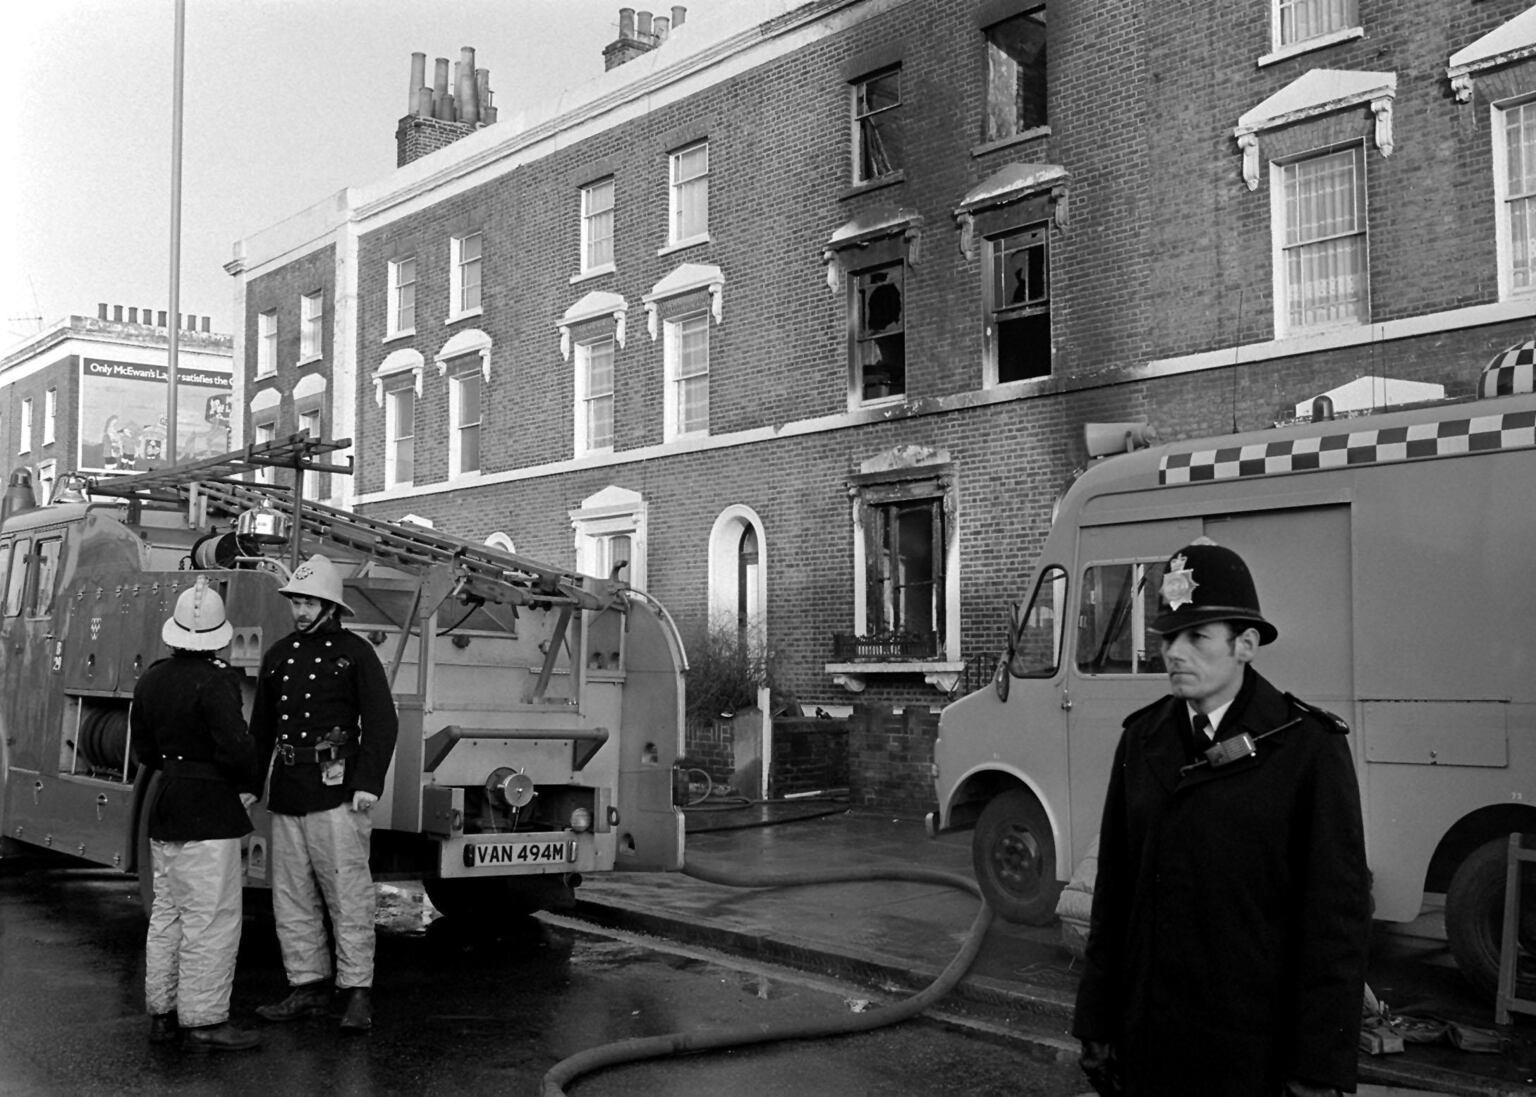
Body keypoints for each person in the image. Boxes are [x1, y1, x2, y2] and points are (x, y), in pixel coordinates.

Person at [1072, 540, 1370, 1097]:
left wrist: (1319, 1065)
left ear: (1246, 645)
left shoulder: (1306, 749)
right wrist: (1096, 1020)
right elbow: (1115, 894)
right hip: (1151, 1040)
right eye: (1168, 638)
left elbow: (1335, 919)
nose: (1174, 653)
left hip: (1251, 1050)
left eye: (1196, 637)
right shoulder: (1142, 739)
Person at [250, 554, 398, 1033]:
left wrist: (368, 785)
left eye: (309, 602)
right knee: (292, 897)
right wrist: (252, 785)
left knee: (348, 895)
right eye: (296, 601)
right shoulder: (278, 655)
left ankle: (357, 992)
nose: (300, 611)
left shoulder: (356, 653)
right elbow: (262, 729)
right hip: (290, 788)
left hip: (337, 792)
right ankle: (307, 986)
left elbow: (381, 722)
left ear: (330, 605)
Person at [132, 576, 263, 1051]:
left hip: (166, 804)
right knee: (210, 916)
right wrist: (249, 783)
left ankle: (163, 1013)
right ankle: (205, 1019)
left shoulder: (151, 679)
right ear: (219, 634)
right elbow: (236, 746)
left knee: (167, 914)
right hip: (210, 809)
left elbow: (144, 748)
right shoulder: (219, 680)